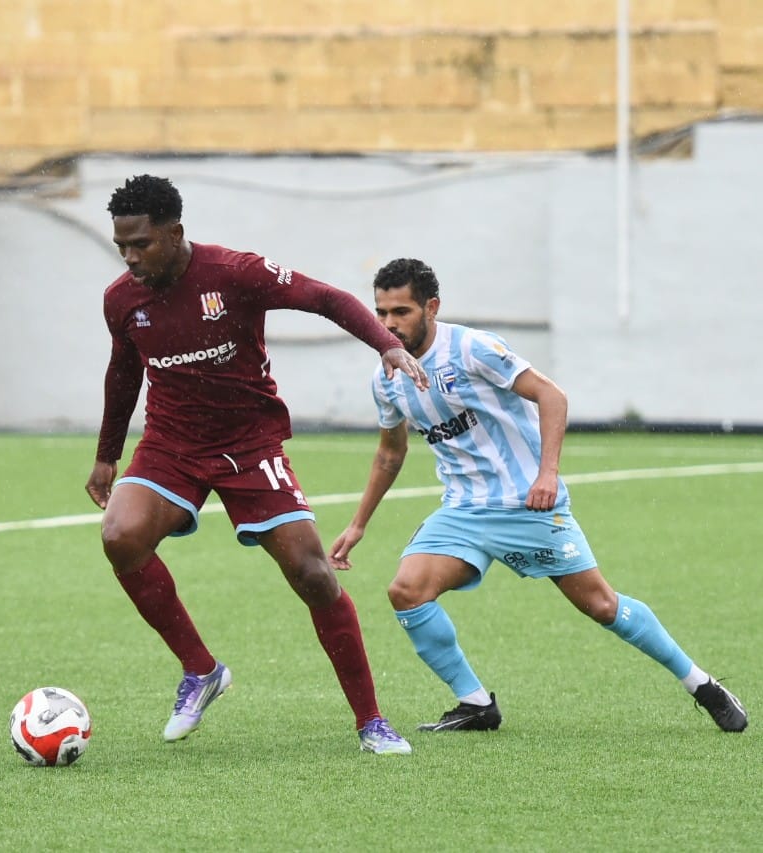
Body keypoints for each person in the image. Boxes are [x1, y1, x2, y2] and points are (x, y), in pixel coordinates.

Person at [84, 174, 430, 755]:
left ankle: (371, 722)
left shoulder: (234, 273)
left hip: (250, 445)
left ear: (175, 233)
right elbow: (123, 374)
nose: (130, 257)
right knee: (120, 536)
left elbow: (327, 298)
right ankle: (201, 671)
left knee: (313, 575)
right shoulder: (122, 299)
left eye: (141, 244)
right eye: (122, 245)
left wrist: (385, 343)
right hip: (171, 445)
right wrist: (106, 455)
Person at [328, 257, 748, 733]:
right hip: (463, 510)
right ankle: (476, 703)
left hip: (527, 503)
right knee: (406, 591)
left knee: (602, 606)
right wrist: (359, 523)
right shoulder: (386, 376)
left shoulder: (472, 348)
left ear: (432, 308)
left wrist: (547, 475)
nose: (388, 324)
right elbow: (390, 453)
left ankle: (702, 685)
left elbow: (552, 396)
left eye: (400, 312)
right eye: (380, 313)